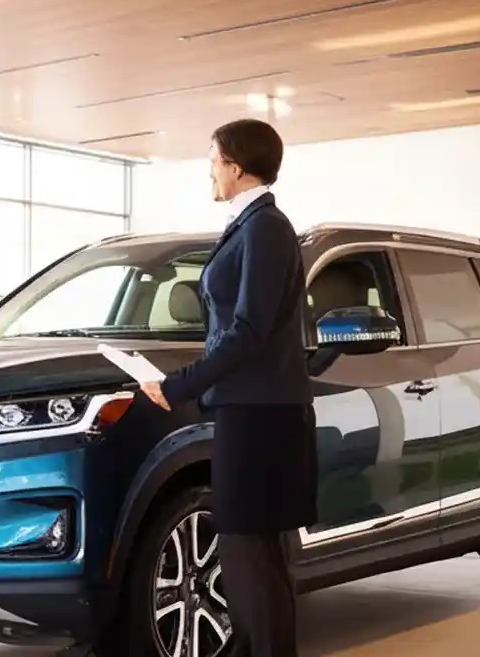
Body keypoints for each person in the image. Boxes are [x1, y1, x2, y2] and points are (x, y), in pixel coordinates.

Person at [140, 119, 316, 657]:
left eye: (213, 159)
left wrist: (178, 385)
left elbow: (248, 330)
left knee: (254, 558)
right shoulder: (250, 224)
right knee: (248, 558)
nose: (209, 170)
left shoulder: (266, 228)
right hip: (248, 412)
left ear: (237, 168)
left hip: (261, 418)